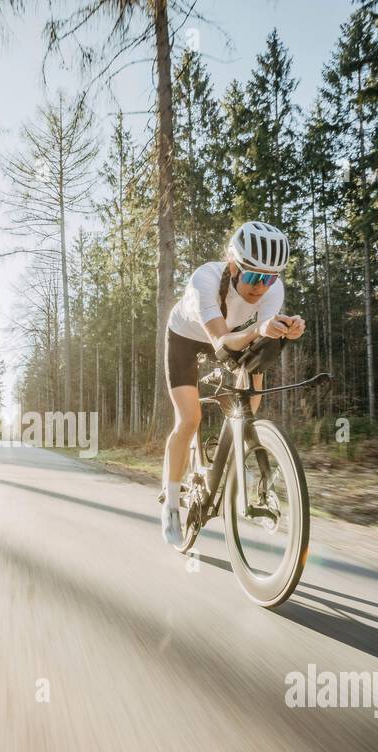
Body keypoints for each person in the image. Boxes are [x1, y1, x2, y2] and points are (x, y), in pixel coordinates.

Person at [160, 221, 306, 546]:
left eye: (270, 278)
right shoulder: (205, 280)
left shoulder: (272, 290)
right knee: (188, 419)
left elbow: (260, 344)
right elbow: (223, 344)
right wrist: (260, 329)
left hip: (236, 337)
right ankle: (170, 505)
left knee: (251, 397)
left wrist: (286, 329)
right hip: (190, 337)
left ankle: (239, 450)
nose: (260, 286)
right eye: (253, 276)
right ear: (232, 265)